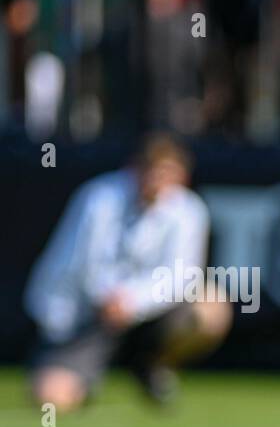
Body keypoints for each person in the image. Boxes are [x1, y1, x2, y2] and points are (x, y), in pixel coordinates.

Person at [25, 133, 226, 411]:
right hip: (84, 319)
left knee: (209, 309)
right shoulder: (99, 198)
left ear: (181, 176)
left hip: (144, 319)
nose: (156, 181)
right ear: (134, 168)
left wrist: (131, 302)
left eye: (167, 173)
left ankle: (151, 365)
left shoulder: (189, 211)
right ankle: (87, 378)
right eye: (150, 171)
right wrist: (107, 301)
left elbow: (181, 276)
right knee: (51, 399)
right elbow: (80, 265)